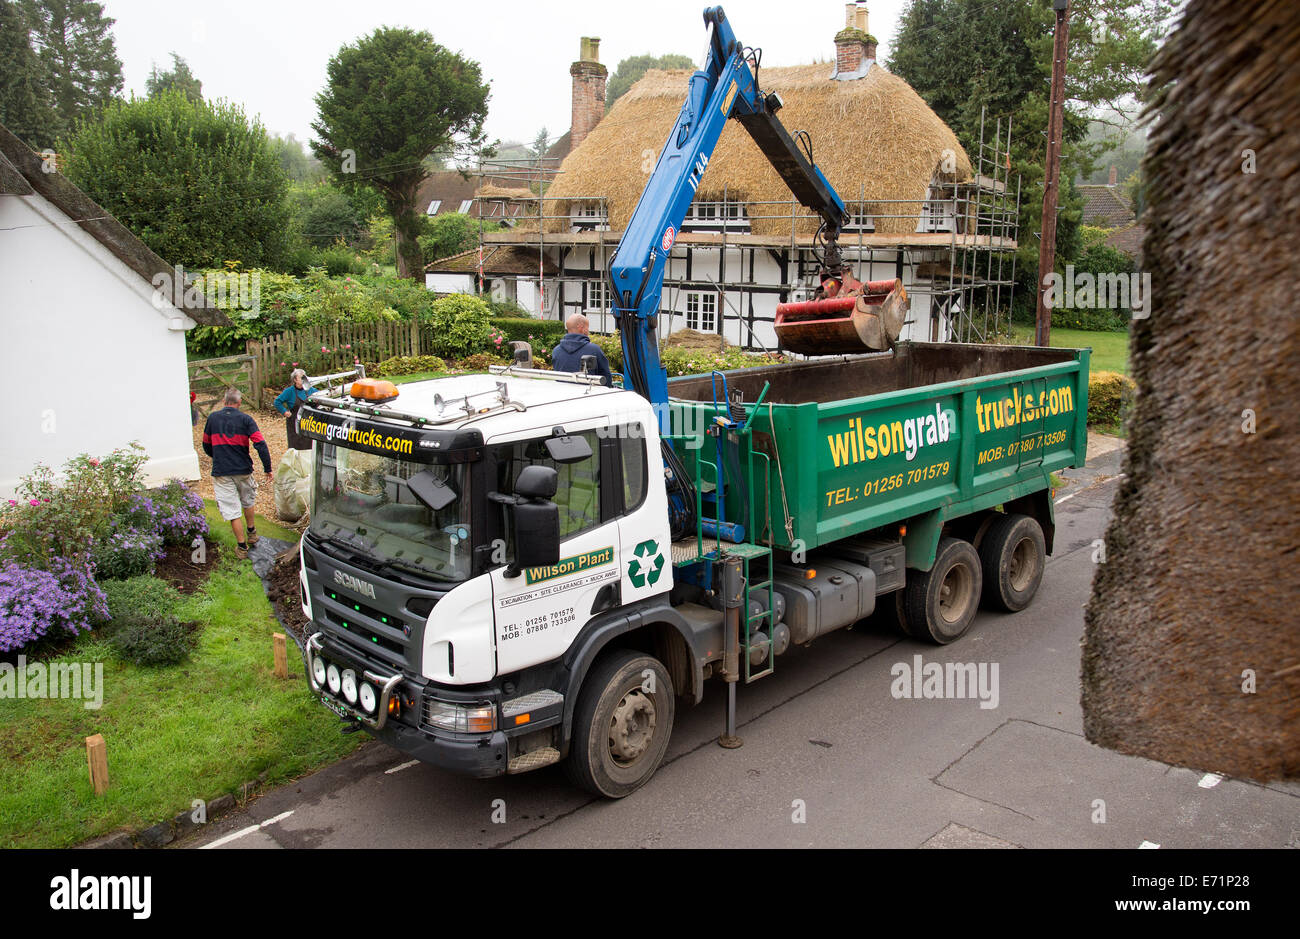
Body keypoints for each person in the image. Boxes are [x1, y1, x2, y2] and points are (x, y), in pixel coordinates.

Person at [202, 387, 273, 559]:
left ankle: (241, 548)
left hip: (222, 472)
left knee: (232, 511)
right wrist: (267, 468)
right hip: (243, 470)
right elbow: (260, 444)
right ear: (239, 402)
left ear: (224, 401)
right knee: (247, 501)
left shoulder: (212, 418)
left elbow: (206, 444)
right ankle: (252, 532)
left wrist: (217, 456)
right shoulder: (246, 419)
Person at [551, 313, 613, 387]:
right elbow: (606, 379)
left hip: (563, 394)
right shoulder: (594, 350)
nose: (588, 331)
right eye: (587, 328)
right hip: (587, 395)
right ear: (581, 328)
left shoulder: (556, 351)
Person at [274, 368, 315, 450]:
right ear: (295, 380)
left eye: (304, 377)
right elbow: (277, 402)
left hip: (309, 423)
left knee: (309, 448)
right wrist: (284, 412)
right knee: (295, 448)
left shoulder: (311, 390)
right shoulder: (289, 391)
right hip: (294, 423)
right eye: (301, 378)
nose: (303, 380)